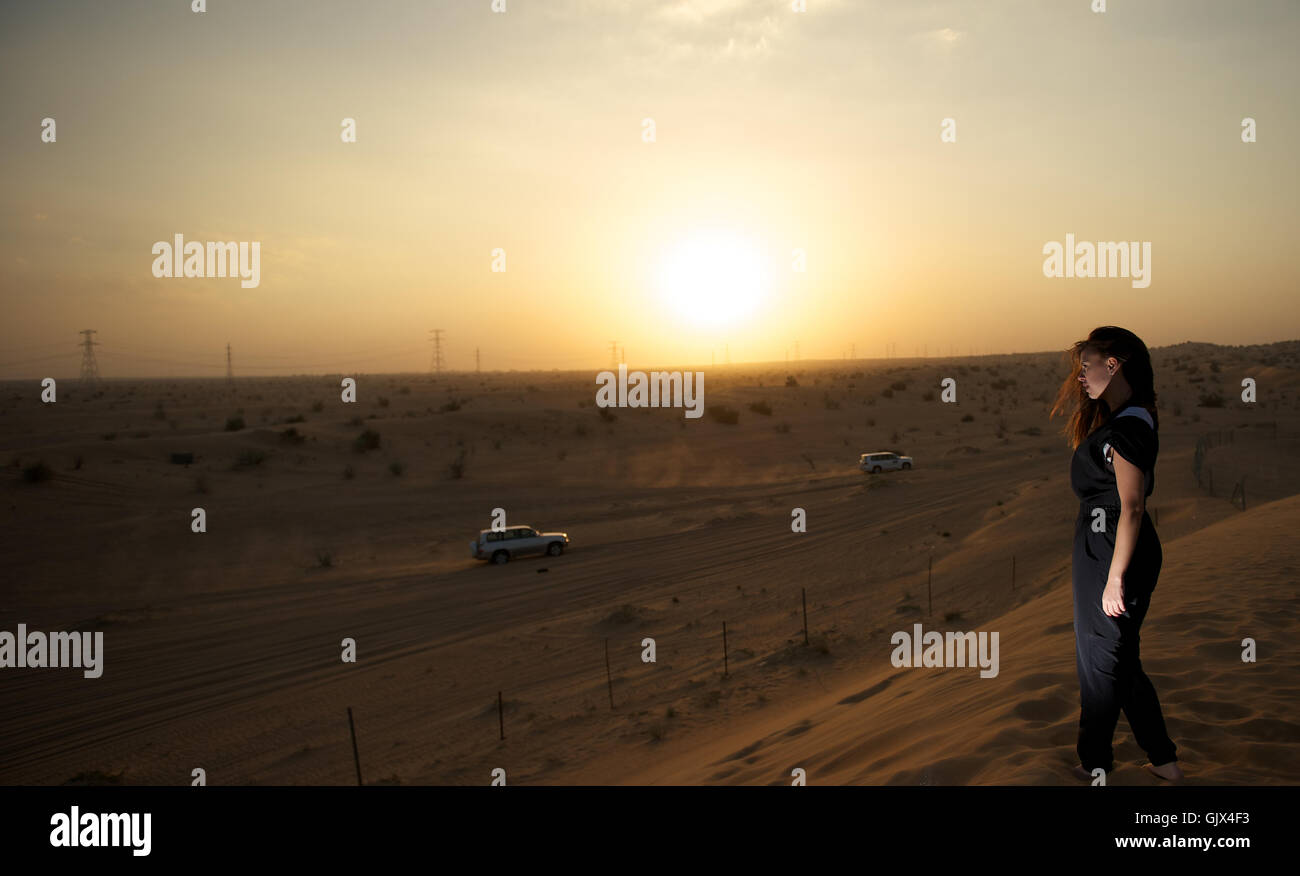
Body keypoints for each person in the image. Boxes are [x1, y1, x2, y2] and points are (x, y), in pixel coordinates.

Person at [1050, 326, 1183, 783]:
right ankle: (1163, 762)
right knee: (1115, 660)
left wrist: (1114, 577)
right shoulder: (1123, 419)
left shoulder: (1130, 425)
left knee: (1103, 659)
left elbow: (1132, 505)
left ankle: (1095, 765)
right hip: (1101, 549)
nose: (1081, 376)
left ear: (1115, 363)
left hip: (1114, 553)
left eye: (1087, 365)